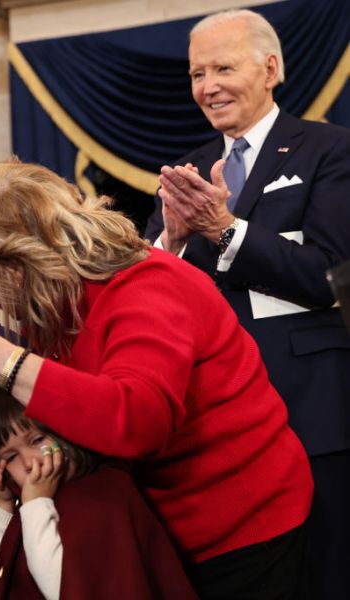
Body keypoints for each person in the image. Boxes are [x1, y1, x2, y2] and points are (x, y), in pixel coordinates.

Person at [0, 160, 313, 600]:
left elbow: (138, 418)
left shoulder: (145, 285)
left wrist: (4, 360)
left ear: (15, 264)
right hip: (153, 525)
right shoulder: (56, 303)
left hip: (239, 530)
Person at [143, 10, 350, 599]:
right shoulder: (185, 171)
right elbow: (150, 293)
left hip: (309, 407)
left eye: (223, 68)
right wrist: (174, 240)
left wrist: (227, 229)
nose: (208, 87)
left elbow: (328, 276)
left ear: (271, 68)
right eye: (196, 73)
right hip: (214, 421)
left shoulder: (330, 151)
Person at [0, 383, 197, 600]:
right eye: (10, 457)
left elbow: (64, 588)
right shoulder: (32, 500)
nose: (29, 462)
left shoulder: (100, 494)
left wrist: (35, 504)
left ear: (64, 428)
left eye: (37, 440)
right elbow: (0, 576)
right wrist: (2, 501)